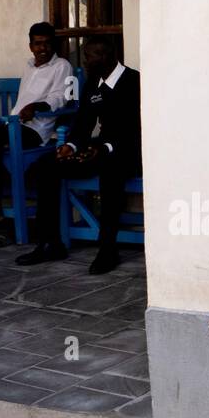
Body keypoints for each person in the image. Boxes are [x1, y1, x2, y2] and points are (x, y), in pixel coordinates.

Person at [16, 34, 141, 275]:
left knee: (110, 170)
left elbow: (136, 128)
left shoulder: (133, 81)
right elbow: (83, 123)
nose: (85, 61)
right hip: (99, 148)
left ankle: (108, 248)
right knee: (47, 165)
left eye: (89, 56)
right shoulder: (93, 81)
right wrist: (71, 146)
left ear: (108, 57)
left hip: (129, 152)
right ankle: (50, 242)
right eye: (85, 56)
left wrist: (103, 149)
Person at [0, 22, 73, 236]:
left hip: (36, 131)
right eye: (37, 44)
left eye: (46, 43)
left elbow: (61, 98)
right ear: (30, 46)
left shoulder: (61, 66)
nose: (42, 48)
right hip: (13, 125)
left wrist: (36, 106)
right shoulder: (29, 66)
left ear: (53, 44)